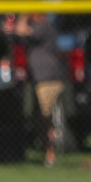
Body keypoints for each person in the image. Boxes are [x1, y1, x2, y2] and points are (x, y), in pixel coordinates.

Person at [14, 13, 68, 166]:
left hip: (49, 78)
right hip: (38, 79)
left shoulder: (45, 27)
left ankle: (52, 150)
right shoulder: (37, 28)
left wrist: (23, 18)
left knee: (47, 116)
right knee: (38, 117)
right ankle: (49, 148)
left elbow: (21, 31)